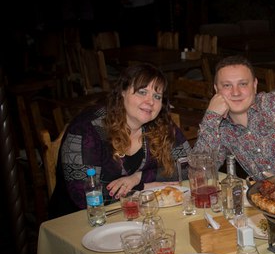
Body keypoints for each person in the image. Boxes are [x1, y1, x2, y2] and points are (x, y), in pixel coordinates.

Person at [49, 63, 191, 218]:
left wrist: (138, 177)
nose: (150, 101)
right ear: (123, 91)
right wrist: (143, 188)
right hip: (81, 222)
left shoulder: (161, 125)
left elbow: (188, 167)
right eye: (142, 92)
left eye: (157, 96)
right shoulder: (87, 129)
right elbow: (84, 196)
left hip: (138, 216)